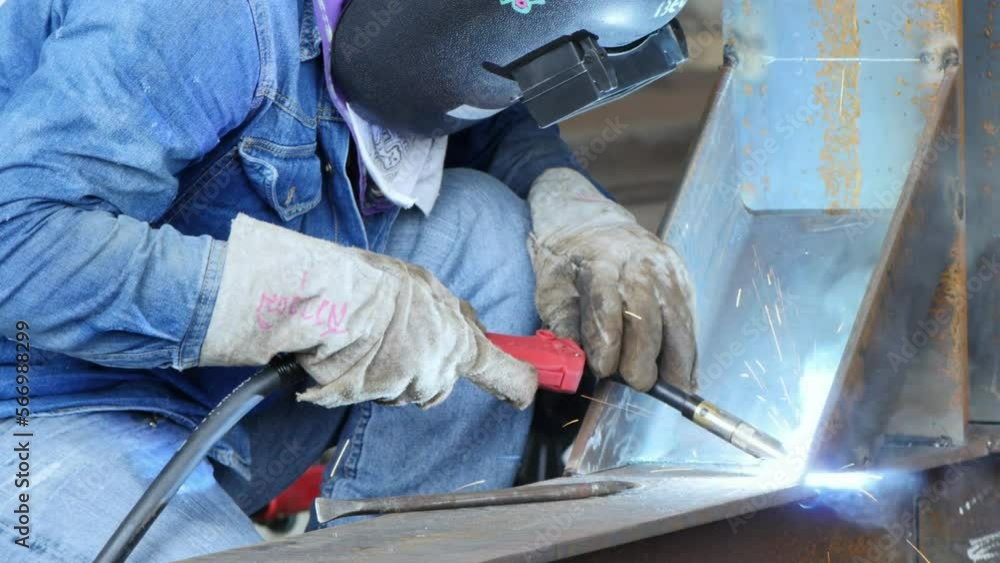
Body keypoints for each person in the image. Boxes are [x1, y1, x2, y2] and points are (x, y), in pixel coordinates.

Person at [0, 0, 696, 560]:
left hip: (216, 408)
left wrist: (571, 202)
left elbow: (466, 102)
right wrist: (314, 301)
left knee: (487, 225)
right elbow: (19, 243)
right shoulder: (206, 16)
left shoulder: (411, 30)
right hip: (39, 415)